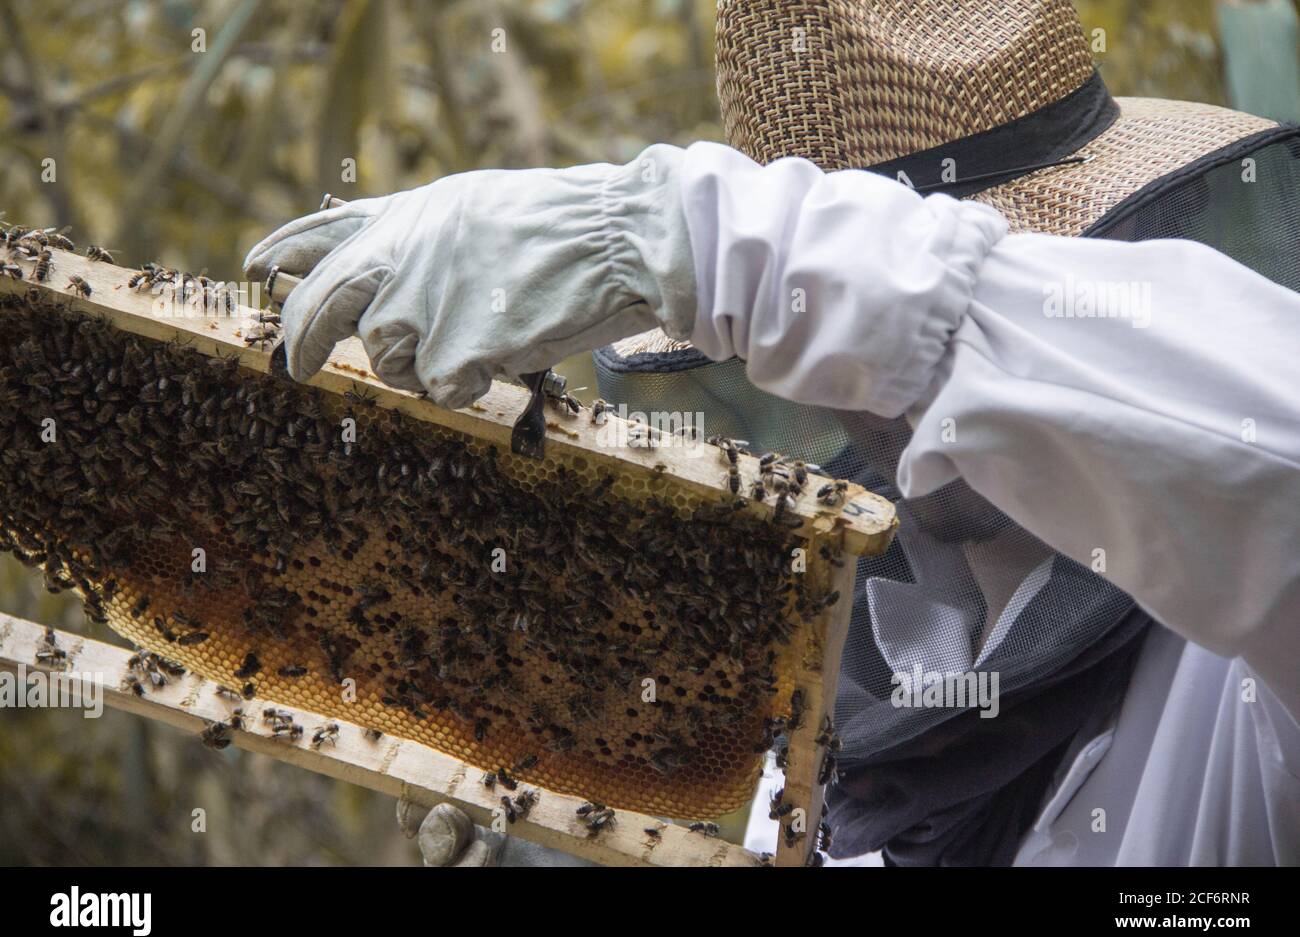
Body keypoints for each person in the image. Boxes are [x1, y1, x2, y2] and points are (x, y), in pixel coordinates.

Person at [244, 0, 1299, 866]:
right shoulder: (832, 721)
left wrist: (700, 240)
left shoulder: (1243, 679)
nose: (881, 400)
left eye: (870, 332)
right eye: (822, 355)